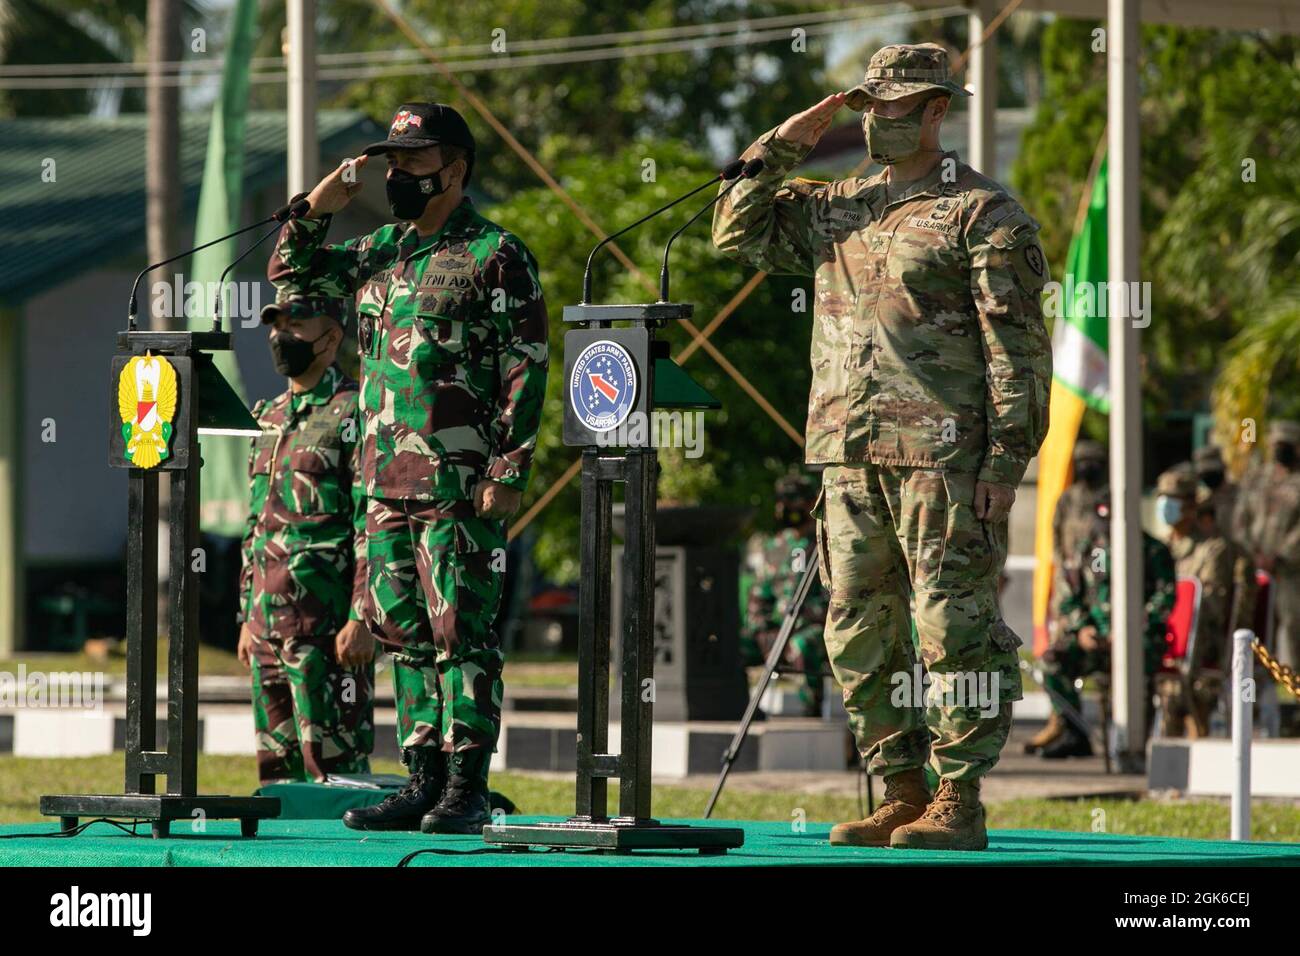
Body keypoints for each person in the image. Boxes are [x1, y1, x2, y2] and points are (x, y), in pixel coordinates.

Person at [713, 43, 1051, 850]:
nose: (877, 122)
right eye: (868, 107)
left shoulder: (983, 213)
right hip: (849, 450)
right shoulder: (840, 205)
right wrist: (787, 140)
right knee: (856, 625)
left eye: (894, 108)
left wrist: (1006, 462)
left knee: (952, 625)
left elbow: (1019, 349)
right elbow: (735, 231)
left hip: (946, 456)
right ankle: (900, 785)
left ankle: (958, 798)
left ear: (937, 111)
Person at [269, 102, 549, 833]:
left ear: (453, 171)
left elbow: (526, 365)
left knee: (462, 634)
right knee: (404, 635)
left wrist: (509, 467)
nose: (397, 174)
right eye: (392, 162)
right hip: (383, 480)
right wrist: (319, 204)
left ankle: (467, 787)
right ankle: (421, 779)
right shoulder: (381, 250)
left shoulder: (495, 254)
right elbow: (290, 272)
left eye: (414, 162)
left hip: (458, 482)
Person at [237, 284, 374, 784]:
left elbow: (369, 522)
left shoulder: (354, 412)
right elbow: (256, 524)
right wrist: (246, 616)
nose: (280, 336)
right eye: (276, 326)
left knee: (334, 777)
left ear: (331, 337)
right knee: (275, 779)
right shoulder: (266, 417)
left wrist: (362, 616)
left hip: (326, 627)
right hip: (266, 625)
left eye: (294, 326)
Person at [1040, 493, 1176, 758]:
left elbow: (1165, 597)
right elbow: (1068, 596)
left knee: (1142, 659)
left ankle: (1137, 743)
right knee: (1053, 660)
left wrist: (1131, 631)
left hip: (1138, 640)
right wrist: (1082, 629)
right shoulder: (1088, 549)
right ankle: (1075, 733)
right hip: (1095, 641)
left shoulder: (1153, 551)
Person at [1153, 465, 1255, 737]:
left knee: (1175, 689)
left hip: (1202, 644)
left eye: (1171, 501)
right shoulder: (1159, 548)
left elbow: (1211, 607)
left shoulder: (1213, 549)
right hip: (1164, 639)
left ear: (1189, 507)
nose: (1164, 506)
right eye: (1161, 499)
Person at [1026, 439, 1107, 754]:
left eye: (1093, 460)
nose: (1087, 466)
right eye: (1082, 461)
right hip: (1070, 586)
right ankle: (1064, 723)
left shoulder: (1109, 499)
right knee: (1055, 654)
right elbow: (1057, 541)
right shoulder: (1067, 499)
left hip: (1100, 589)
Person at [741, 472, 829, 717]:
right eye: (782, 501)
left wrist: (807, 617)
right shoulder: (776, 546)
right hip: (776, 629)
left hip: (813, 628)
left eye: (793, 500)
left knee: (802, 645)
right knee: (733, 645)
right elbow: (759, 596)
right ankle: (740, 709)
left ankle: (810, 712)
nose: (785, 508)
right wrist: (762, 631)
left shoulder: (827, 543)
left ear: (811, 502)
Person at [1237, 420, 1300, 668]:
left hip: (1290, 572)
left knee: (1291, 625)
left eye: (1284, 445)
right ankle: (1255, 681)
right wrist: (1253, 553)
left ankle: (1293, 687)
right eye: (1276, 445)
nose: (1278, 450)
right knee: (1253, 620)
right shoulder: (1257, 478)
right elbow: (1241, 519)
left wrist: (1281, 556)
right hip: (1254, 568)